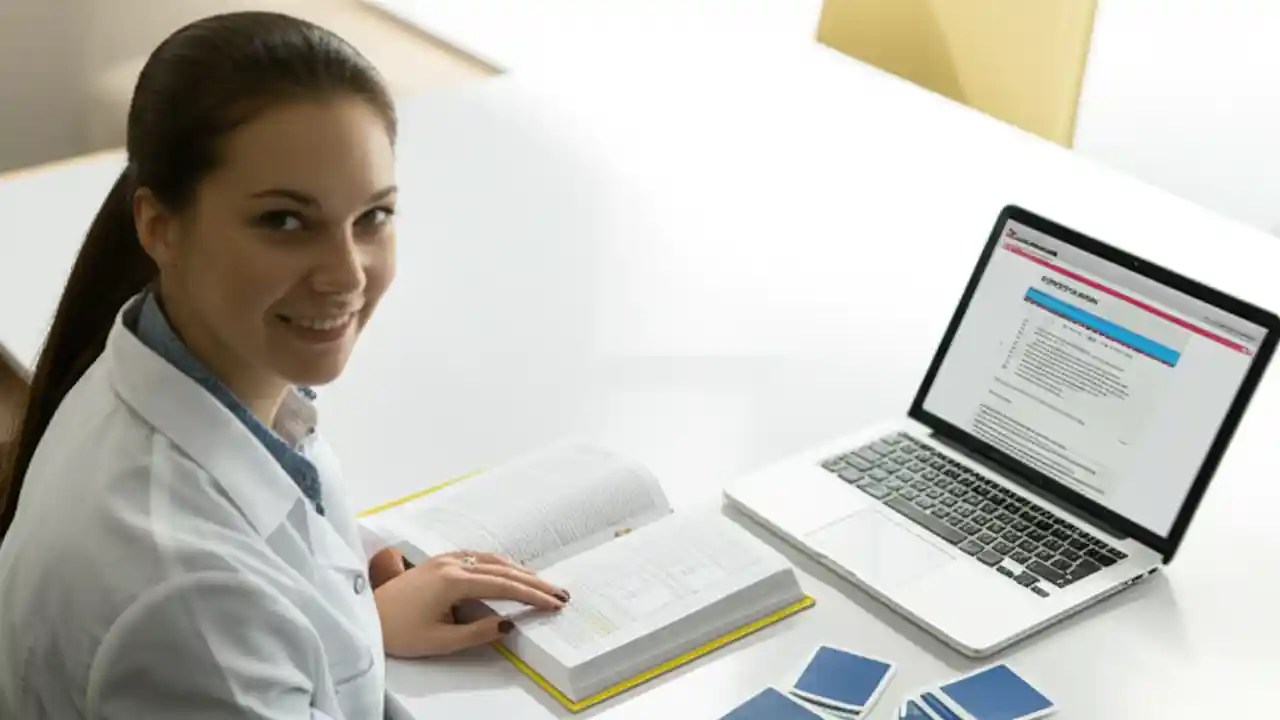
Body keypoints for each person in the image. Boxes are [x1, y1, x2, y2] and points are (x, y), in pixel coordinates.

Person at [0, 12, 569, 719]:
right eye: (285, 222)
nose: (345, 276)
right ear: (159, 227)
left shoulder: (200, 366)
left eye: (373, 217)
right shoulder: (186, 599)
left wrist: (353, 631)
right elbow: (213, 635)